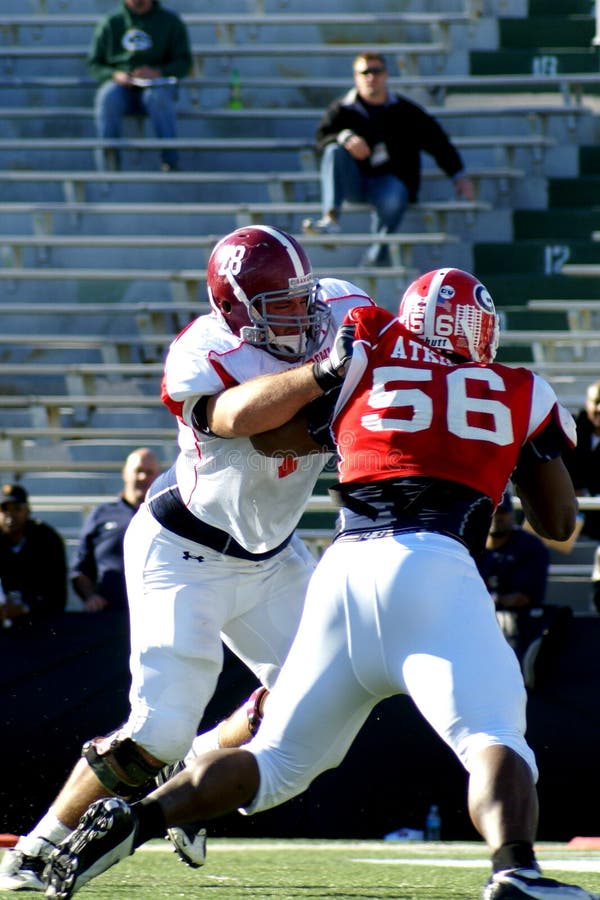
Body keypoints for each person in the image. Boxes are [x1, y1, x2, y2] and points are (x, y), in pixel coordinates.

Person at [42, 268, 597, 900]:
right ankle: (515, 870)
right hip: (435, 567)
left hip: (343, 569)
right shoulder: (521, 389)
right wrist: (508, 455)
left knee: (278, 760)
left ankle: (135, 819)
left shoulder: (366, 351)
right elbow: (559, 524)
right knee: (492, 735)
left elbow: (268, 437)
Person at [0, 225, 373, 892]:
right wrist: (325, 375)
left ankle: (197, 761)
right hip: (183, 552)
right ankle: (39, 843)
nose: (303, 314)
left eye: (305, 296)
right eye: (281, 304)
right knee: (159, 729)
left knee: (322, 700)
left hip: (273, 556)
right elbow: (248, 425)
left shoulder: (340, 309)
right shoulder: (204, 351)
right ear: (234, 309)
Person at [302, 51, 475, 267]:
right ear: (355, 77)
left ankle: (376, 256)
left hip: (391, 183)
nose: (371, 77)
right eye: (365, 72)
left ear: (386, 75)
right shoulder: (342, 109)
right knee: (333, 151)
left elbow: (437, 141)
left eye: (376, 71)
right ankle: (331, 219)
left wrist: (459, 174)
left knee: (394, 194)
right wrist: (344, 137)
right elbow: (320, 141)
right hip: (354, 182)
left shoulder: (406, 110)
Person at [477, 491, 572, 689]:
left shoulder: (529, 546)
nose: (496, 518)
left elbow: (523, 598)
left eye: (502, 512)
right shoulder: (468, 545)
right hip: (474, 618)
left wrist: (491, 600)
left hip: (517, 622)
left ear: (512, 515)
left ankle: (518, 674)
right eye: (491, 512)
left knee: (507, 622)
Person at [87, 0, 193, 173]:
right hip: (122, 88)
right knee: (108, 96)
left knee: (158, 97)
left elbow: (184, 62)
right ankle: (109, 165)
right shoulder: (111, 22)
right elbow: (94, 64)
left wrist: (158, 72)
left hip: (157, 86)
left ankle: (170, 161)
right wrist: (115, 75)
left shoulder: (170, 22)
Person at [71, 448, 161, 613]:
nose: (143, 477)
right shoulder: (101, 514)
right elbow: (80, 569)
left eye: (149, 472)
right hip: (110, 614)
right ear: (125, 473)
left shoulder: (168, 516)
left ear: (158, 477)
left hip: (157, 612)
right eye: (138, 471)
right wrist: (90, 597)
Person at [0, 484, 67, 629]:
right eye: (4, 509)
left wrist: (25, 607)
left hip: (39, 623)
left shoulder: (46, 539)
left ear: (28, 511)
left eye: (17, 508)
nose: (10, 515)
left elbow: (57, 594)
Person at [562, 379, 600, 541]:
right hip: (567, 506)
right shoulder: (569, 428)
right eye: (596, 402)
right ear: (587, 403)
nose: (599, 409)